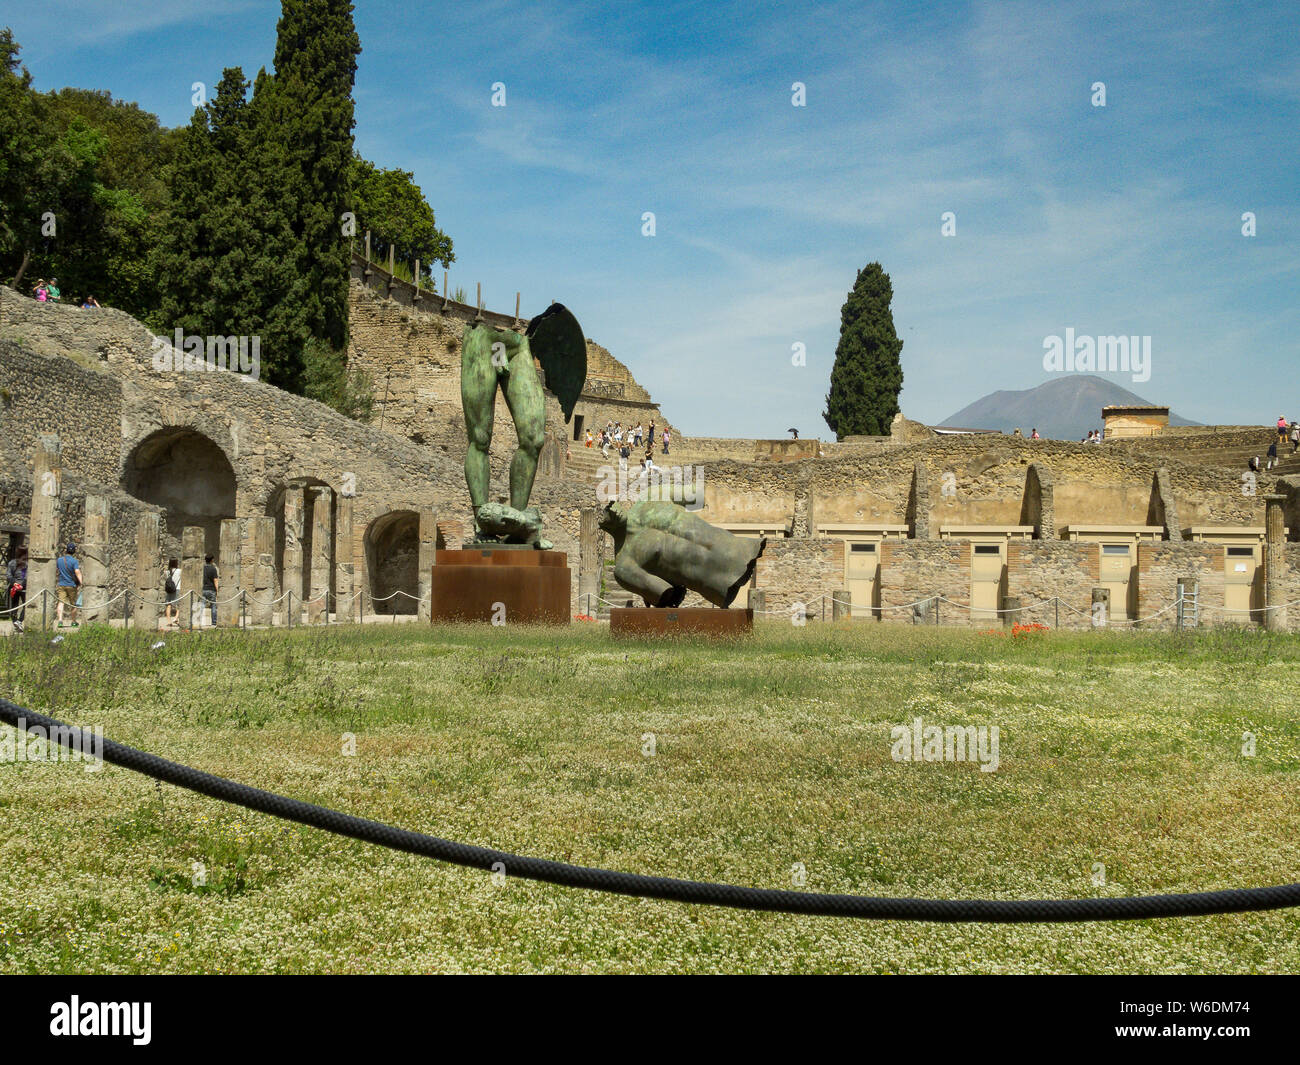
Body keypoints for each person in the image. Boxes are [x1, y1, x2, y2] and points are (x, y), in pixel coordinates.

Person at [55, 543, 82, 627]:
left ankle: (60, 621)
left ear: (66, 550)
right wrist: (81, 582)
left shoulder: (59, 560)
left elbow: (57, 571)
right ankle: (73, 621)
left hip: (61, 584)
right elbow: (77, 572)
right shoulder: (74, 561)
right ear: (74, 551)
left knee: (61, 602)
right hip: (71, 585)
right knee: (73, 604)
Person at [6, 548, 26, 633]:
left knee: (14, 605)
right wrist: (21, 584)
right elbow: (26, 576)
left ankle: (15, 621)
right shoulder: (27, 564)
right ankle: (19, 621)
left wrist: (14, 583)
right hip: (23, 587)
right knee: (26, 605)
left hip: (14, 587)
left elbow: (8, 575)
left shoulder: (11, 563)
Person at [202, 554, 219, 627]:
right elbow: (215, 580)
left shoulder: (202, 568)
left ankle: (199, 620)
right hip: (211, 589)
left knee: (201, 606)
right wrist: (217, 590)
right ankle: (214, 623)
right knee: (213, 606)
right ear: (212, 560)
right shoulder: (213, 569)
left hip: (203, 589)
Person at [163, 557, 181, 627]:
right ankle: (176, 618)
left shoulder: (166, 572)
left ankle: (169, 621)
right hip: (177, 588)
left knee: (168, 605)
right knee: (179, 605)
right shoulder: (179, 571)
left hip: (169, 589)